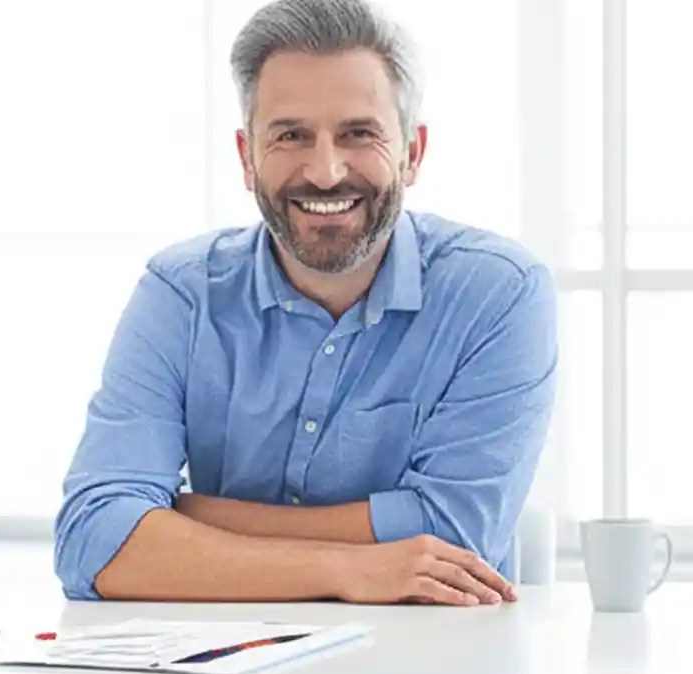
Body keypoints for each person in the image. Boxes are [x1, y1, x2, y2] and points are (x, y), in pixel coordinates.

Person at [54, 0, 557, 606]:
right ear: (247, 158)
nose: (324, 171)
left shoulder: (498, 294)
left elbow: (454, 535)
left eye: (358, 133)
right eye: (291, 135)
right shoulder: (180, 294)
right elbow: (94, 540)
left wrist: (186, 520)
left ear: (412, 154)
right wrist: (349, 569)